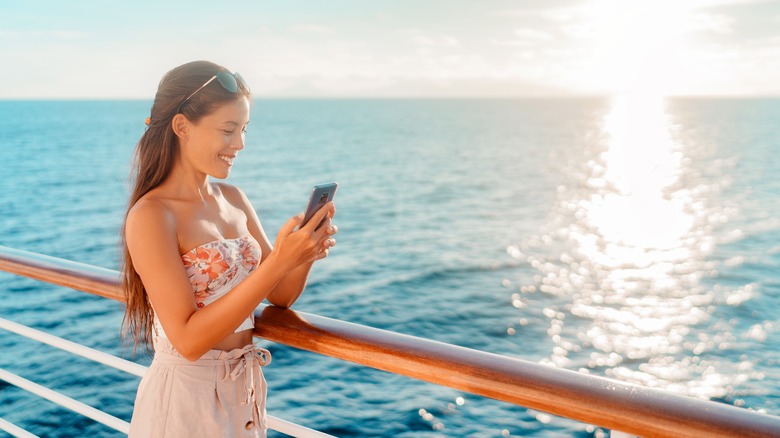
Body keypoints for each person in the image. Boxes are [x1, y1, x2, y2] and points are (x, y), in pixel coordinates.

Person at [120, 60, 337, 437]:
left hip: (244, 393)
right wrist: (278, 262)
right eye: (228, 130)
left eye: (244, 130)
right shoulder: (152, 216)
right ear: (182, 127)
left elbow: (281, 296)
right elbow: (187, 340)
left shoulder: (234, 199)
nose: (240, 143)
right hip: (185, 401)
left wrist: (302, 254)